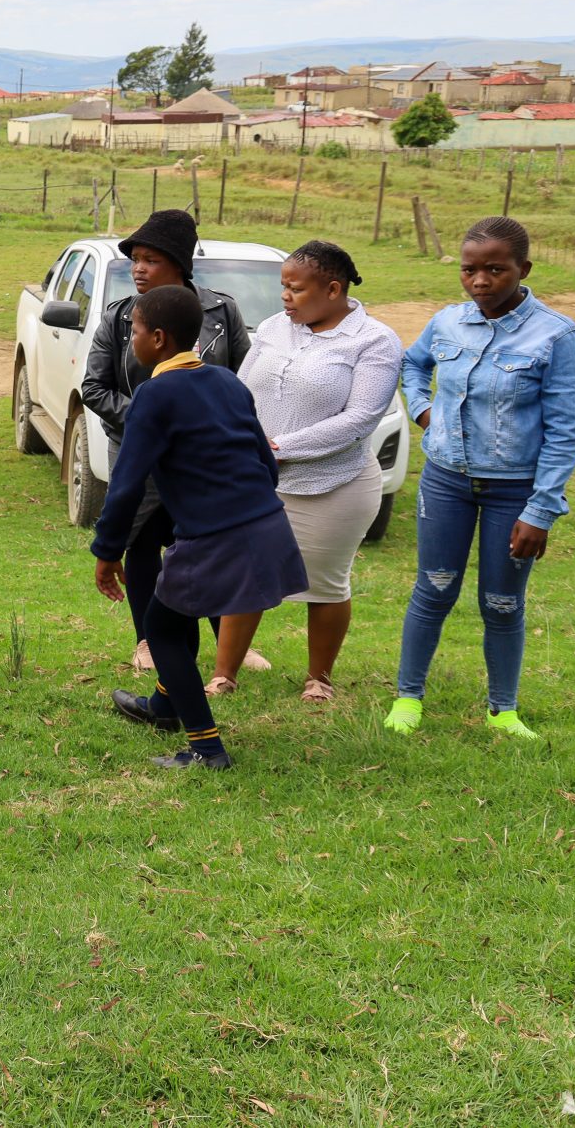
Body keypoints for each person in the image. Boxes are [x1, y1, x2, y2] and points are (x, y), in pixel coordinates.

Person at [386, 216, 575, 740]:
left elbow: (566, 433)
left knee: (501, 601)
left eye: (495, 270)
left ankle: (503, 709)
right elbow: (412, 366)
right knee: (433, 589)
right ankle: (408, 698)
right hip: (445, 481)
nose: (480, 281)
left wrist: (540, 511)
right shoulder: (448, 322)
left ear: (523, 269)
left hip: (515, 493)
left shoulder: (557, 336)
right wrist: (427, 414)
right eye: (469, 270)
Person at [93, 286, 307, 771]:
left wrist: (107, 550)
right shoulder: (229, 383)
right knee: (174, 613)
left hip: (218, 536)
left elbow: (127, 484)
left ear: (159, 339)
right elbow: (265, 466)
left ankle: (207, 749)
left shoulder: (153, 394)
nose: (132, 343)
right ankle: (164, 706)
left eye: (136, 333)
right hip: (267, 524)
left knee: (161, 628)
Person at [209, 241, 402, 702]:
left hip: (333, 485)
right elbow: (239, 388)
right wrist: (232, 436)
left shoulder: (375, 341)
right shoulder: (276, 327)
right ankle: (223, 675)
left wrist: (279, 447)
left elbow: (360, 420)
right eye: (283, 287)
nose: (285, 297)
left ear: (333, 289)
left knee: (325, 583)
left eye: (296, 289)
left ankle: (319, 678)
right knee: (246, 574)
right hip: (258, 479)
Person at [79, 208, 260, 673]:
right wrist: (151, 421)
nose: (138, 268)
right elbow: (94, 388)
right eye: (135, 259)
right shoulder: (119, 318)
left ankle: (228, 644)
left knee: (211, 544)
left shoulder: (221, 312)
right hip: (138, 453)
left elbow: (246, 378)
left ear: (179, 264)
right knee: (141, 543)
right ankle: (147, 641)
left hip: (205, 457)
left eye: (150, 259)